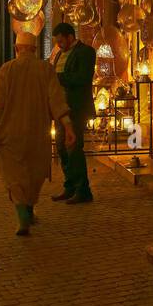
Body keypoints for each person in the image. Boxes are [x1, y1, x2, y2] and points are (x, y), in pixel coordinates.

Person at [0, 33, 72, 235]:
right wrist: (68, 127)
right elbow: (56, 100)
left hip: (10, 134)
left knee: (14, 177)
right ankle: (29, 210)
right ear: (35, 50)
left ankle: (22, 217)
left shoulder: (7, 70)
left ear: (17, 49)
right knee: (34, 174)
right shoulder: (45, 69)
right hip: (37, 134)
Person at [50, 22, 96, 203]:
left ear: (70, 36)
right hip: (61, 109)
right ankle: (70, 185)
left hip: (76, 108)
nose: (59, 45)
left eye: (61, 41)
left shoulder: (86, 52)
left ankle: (83, 189)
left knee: (73, 147)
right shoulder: (60, 53)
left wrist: (58, 78)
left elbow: (83, 77)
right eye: (57, 42)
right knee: (61, 146)